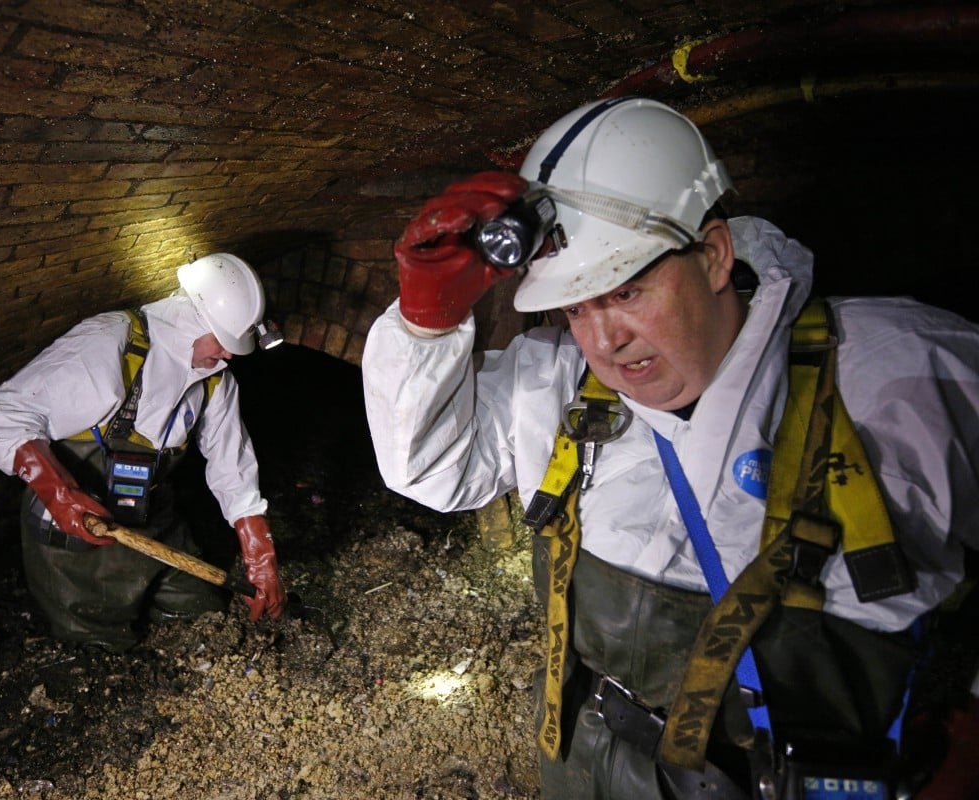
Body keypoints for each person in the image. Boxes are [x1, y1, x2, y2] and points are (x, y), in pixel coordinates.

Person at [361, 96, 979, 799]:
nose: (603, 342)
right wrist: (426, 324)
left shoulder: (900, 375)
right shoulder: (559, 384)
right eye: (575, 307)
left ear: (714, 254)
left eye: (625, 291)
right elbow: (429, 470)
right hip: (586, 763)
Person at [0, 252, 288, 653]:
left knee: (205, 615)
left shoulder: (215, 381)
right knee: (99, 651)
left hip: (150, 523)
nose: (228, 355)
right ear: (193, 318)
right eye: (223, 342)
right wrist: (59, 494)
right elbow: (1, 416)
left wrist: (260, 554)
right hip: (78, 538)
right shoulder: (111, 341)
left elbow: (233, 465)